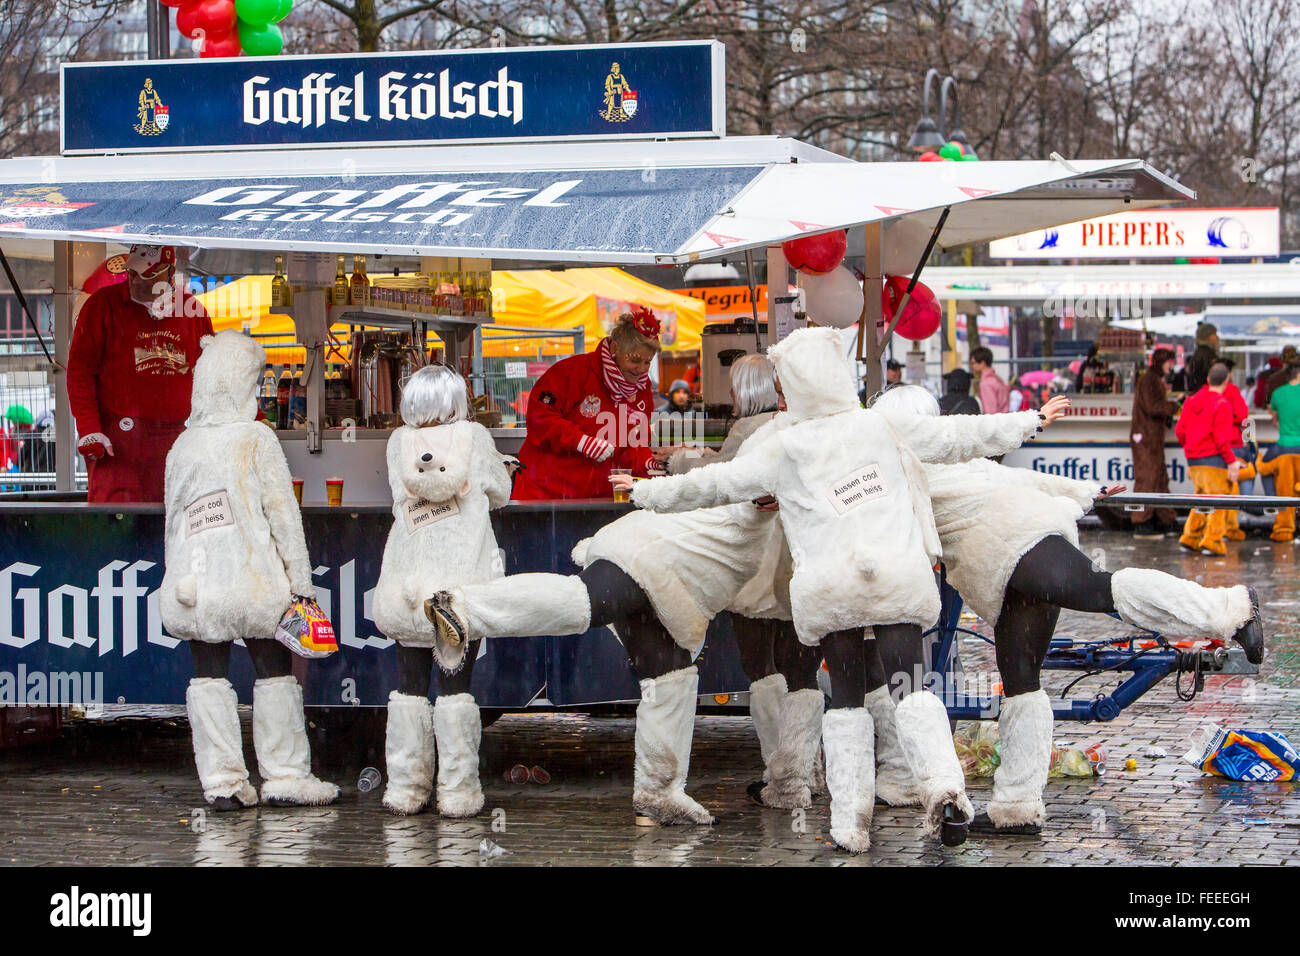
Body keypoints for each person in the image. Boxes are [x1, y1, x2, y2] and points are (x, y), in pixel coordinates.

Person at [612, 327, 1068, 852]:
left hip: (833, 590)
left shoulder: (786, 447)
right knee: (910, 691)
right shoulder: (881, 424)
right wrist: (1030, 420)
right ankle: (943, 787)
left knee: (845, 704)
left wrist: (645, 489)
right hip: (895, 577)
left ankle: (850, 825)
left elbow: (716, 485)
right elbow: (958, 437)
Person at [426, 355, 821, 825]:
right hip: (655, 552)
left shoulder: (807, 440)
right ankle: (463, 608)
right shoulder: (780, 439)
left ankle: (659, 791)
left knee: (671, 677)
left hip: (683, 583)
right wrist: (646, 491)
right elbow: (716, 482)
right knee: (583, 604)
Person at [868, 384, 1264, 837]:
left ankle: (1232, 608)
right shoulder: (951, 467)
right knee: (1020, 678)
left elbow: (974, 449)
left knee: (1101, 591)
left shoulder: (910, 472)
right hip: (1011, 562)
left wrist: (1031, 421)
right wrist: (1089, 491)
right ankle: (1017, 807)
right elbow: (1029, 481)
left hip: (1020, 544)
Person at [159, 331, 338, 811]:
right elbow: (284, 517)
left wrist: (173, 579)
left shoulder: (183, 446)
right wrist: (300, 585)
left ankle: (222, 783)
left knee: (209, 677)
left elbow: (173, 520)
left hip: (197, 584)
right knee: (274, 671)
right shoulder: (257, 438)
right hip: (254, 580)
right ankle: (284, 775)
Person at [372, 365, 513, 817]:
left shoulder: (398, 444)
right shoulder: (475, 438)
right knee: (456, 689)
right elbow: (502, 492)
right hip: (460, 586)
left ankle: (405, 789)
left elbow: (400, 492)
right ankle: (457, 792)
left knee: (410, 687)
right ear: (456, 400)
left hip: (408, 584)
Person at [68, 245, 213, 503]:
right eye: (131, 273)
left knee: (171, 529)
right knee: (115, 528)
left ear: (168, 273)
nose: (134, 281)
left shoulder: (193, 312)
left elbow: (215, 375)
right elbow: (80, 373)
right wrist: (89, 428)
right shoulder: (101, 306)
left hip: (174, 444)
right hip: (116, 446)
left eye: (144, 276)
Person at [511, 306, 664, 500]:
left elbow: (632, 444)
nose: (641, 369)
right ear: (616, 348)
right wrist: (580, 441)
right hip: (547, 496)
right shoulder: (571, 373)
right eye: (635, 359)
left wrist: (647, 462)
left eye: (647, 362)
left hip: (600, 500)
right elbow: (539, 416)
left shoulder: (641, 392)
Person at [1176, 363, 1245, 556]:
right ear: (1226, 381)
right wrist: (1232, 461)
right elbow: (1221, 441)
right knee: (1220, 501)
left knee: (1201, 499)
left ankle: (1190, 537)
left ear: (1208, 380)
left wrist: (1190, 447)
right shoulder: (1222, 405)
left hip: (1193, 461)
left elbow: (1180, 430)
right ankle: (1212, 541)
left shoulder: (1190, 402)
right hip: (1213, 461)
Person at [1129, 349, 1180, 537]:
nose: (1172, 366)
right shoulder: (1150, 380)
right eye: (1169, 362)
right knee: (1148, 478)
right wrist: (1175, 406)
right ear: (1161, 362)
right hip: (1146, 437)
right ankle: (1141, 521)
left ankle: (1165, 518)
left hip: (1151, 436)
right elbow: (1153, 407)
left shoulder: (1152, 379)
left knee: (1158, 477)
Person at [1256, 361, 1300, 541]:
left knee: (1264, 466)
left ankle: (1273, 501)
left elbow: (1274, 419)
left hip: (1284, 446)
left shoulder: (1277, 393)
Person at [970, 346, 1009, 414]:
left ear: (982, 363)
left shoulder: (986, 383)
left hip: (995, 422)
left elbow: (990, 412)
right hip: (1003, 420)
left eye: (973, 363)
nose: (971, 366)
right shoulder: (998, 378)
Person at [1184, 322, 1220, 396]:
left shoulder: (1198, 353)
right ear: (1208, 337)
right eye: (1214, 334)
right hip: (1206, 398)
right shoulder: (1208, 355)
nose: (1217, 338)